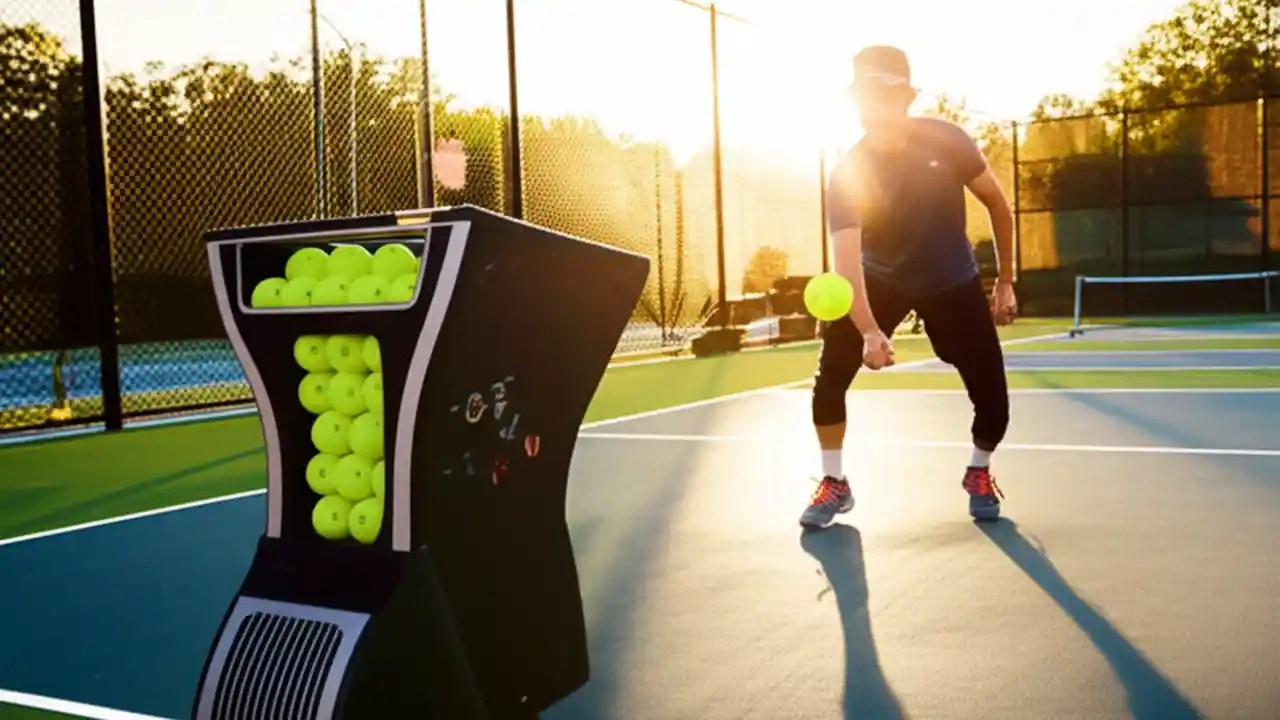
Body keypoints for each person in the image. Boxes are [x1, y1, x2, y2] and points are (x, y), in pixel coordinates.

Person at [800, 45, 1018, 529]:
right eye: (863, 96)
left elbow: (999, 207)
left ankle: (978, 472)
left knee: (994, 400)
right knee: (830, 374)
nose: (872, 106)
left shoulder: (948, 141)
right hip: (880, 278)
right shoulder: (847, 172)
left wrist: (1004, 281)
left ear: (906, 97)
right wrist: (870, 331)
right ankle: (834, 482)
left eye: (883, 94)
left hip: (952, 279)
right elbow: (846, 261)